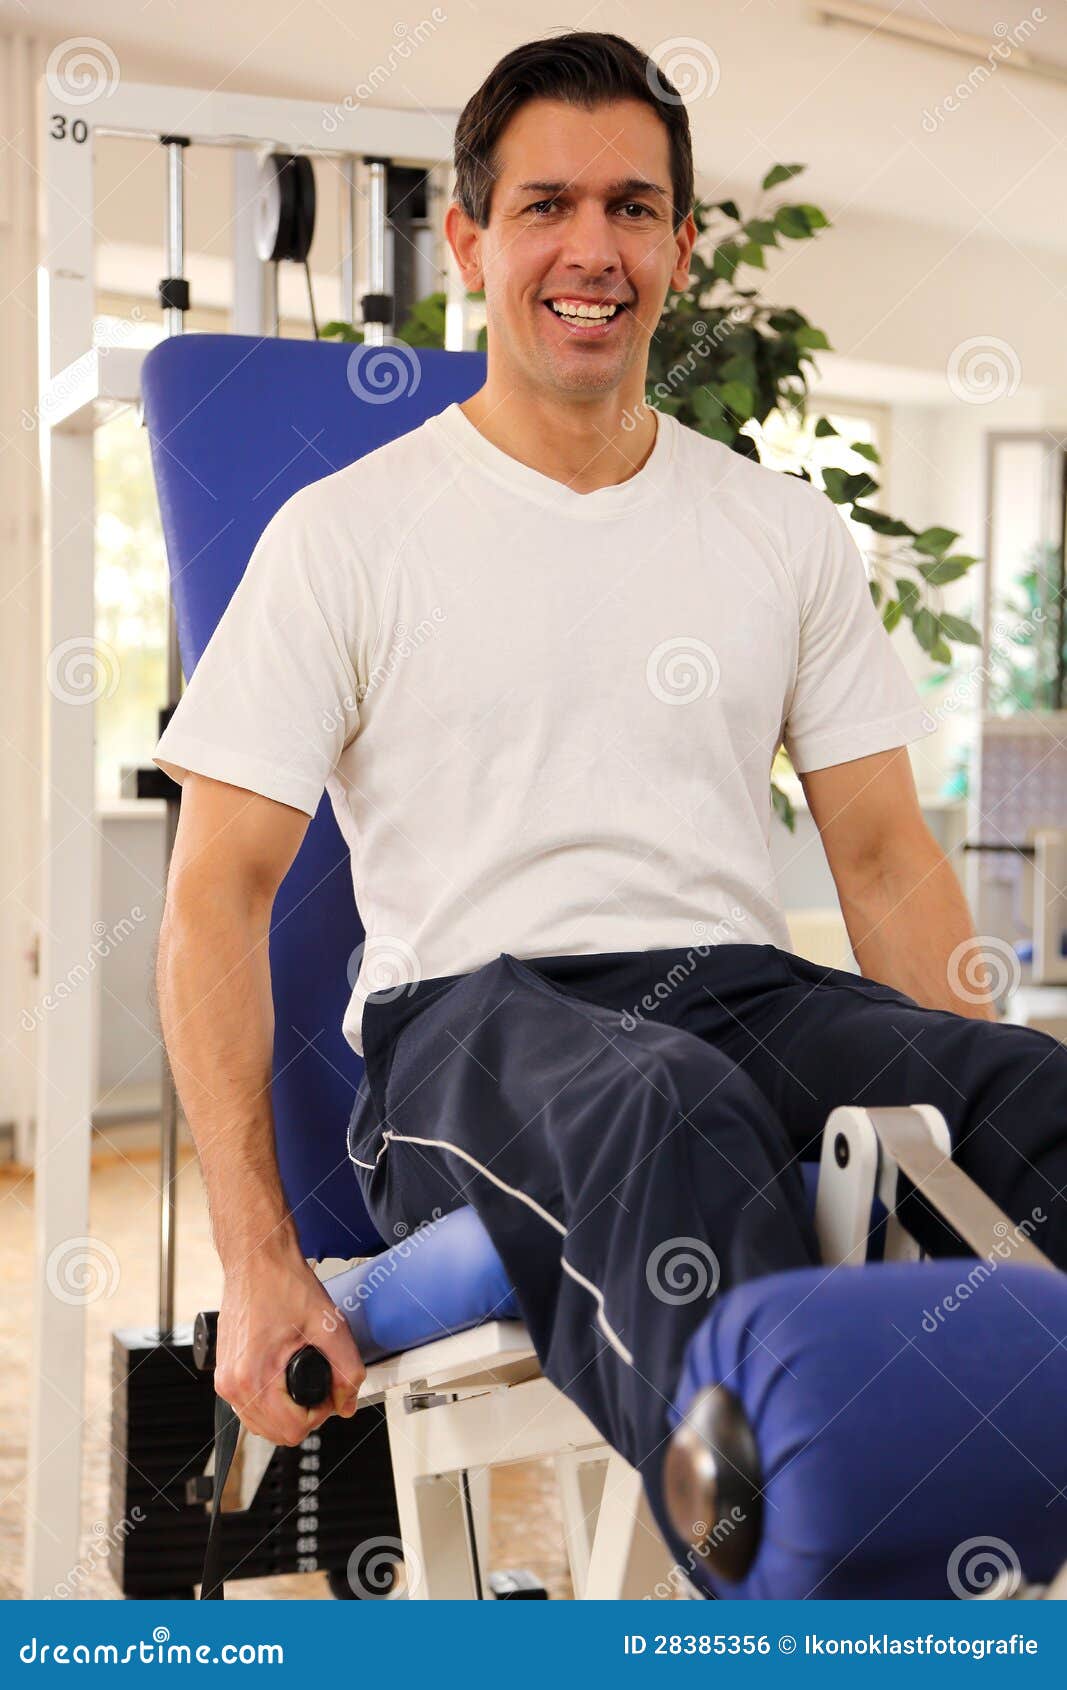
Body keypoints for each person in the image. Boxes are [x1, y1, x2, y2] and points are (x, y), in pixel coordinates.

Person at [154, 29, 1067, 1587]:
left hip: (743, 995)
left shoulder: (778, 534)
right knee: (666, 1109)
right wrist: (256, 1254)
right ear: (469, 242)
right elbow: (214, 896)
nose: (594, 248)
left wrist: (952, 1114)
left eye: (635, 208)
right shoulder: (347, 537)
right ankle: (783, 1583)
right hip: (472, 1028)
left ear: (680, 246)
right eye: (547, 206)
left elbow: (882, 855)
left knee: (1036, 1095)